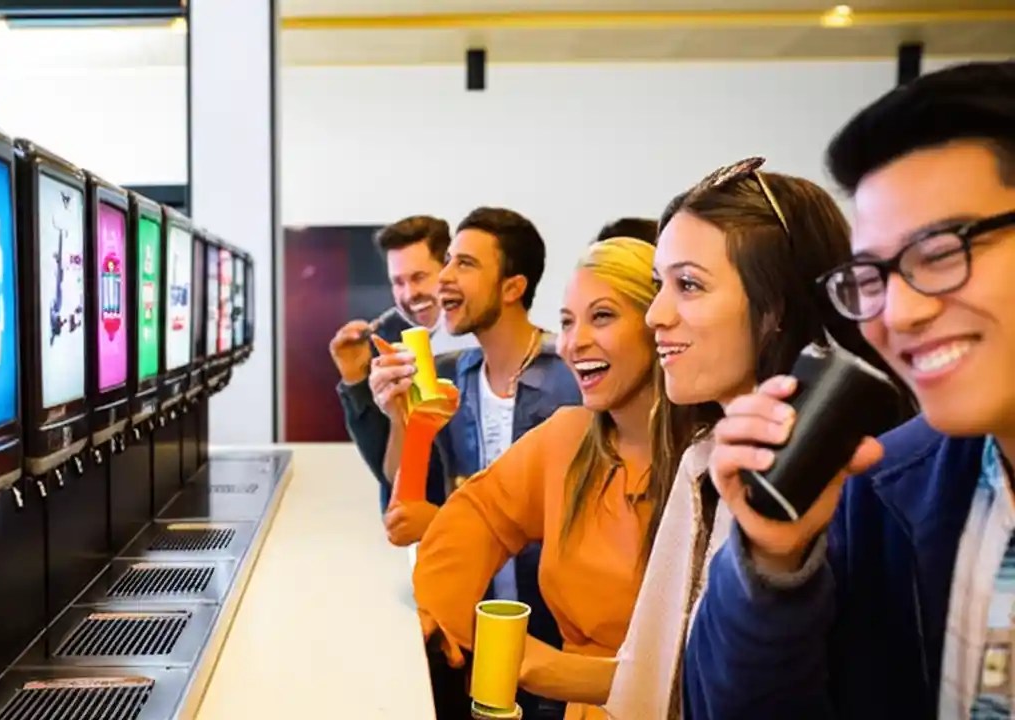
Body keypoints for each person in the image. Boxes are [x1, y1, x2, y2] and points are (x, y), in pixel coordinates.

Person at [682, 60, 1015, 719]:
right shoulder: (879, 491)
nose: (899, 313)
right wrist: (773, 561)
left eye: (940, 252)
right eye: (871, 277)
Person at [586, 157, 913, 719]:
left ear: (775, 306)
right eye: (659, 285)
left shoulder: (852, 488)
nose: (655, 315)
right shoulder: (701, 457)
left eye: (689, 285)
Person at [412, 237, 708, 720]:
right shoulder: (567, 438)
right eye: (567, 322)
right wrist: (446, 618)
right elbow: (479, 515)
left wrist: (552, 668)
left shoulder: (714, 465)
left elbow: (717, 670)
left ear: (658, 324)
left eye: (602, 316)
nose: (574, 343)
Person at [348, 206, 581, 718]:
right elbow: (401, 487)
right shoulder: (453, 373)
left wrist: (446, 527)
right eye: (448, 260)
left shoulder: (573, 379)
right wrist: (398, 416)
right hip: (474, 632)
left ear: (513, 287)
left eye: (465, 264)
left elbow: (584, 526)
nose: (444, 279)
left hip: (557, 644)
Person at [329, 214, 475, 506]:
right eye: (398, 282)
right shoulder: (384, 341)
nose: (410, 294)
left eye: (419, 277)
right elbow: (387, 472)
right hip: (413, 521)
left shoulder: (478, 337)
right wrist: (355, 381)